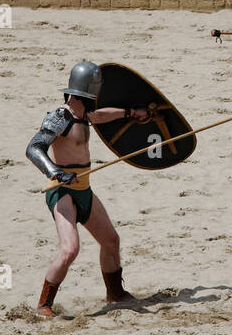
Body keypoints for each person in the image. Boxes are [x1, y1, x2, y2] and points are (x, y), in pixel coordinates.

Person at [26, 60, 150, 317]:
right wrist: (54, 171)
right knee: (70, 249)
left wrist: (130, 114)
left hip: (84, 190)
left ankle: (115, 294)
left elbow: (101, 115)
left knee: (111, 240)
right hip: (62, 192)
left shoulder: (84, 116)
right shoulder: (60, 117)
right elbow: (34, 147)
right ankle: (44, 305)